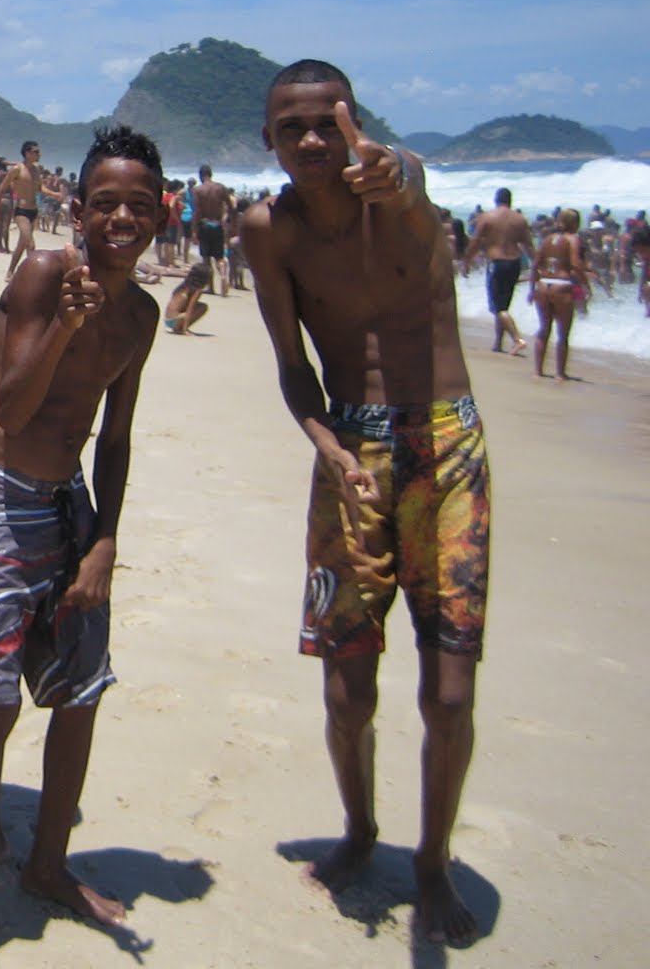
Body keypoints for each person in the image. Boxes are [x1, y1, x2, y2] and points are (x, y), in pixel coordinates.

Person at [241, 59, 487, 945]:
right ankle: (360, 830)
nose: (309, 140)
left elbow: (410, 183)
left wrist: (398, 172)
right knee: (348, 685)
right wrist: (325, 441)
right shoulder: (266, 231)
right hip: (349, 450)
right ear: (264, 141)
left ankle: (431, 861)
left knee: (450, 693)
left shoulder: (399, 183)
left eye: (324, 122)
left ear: (354, 122)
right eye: (289, 127)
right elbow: (292, 365)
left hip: (448, 449)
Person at [0, 124, 162, 969]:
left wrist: (106, 540)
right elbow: (14, 399)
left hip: (70, 503)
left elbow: (114, 437)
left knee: (79, 688)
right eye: (105, 202)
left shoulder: (142, 315)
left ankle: (47, 866)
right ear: (77, 207)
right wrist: (68, 329)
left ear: (158, 214)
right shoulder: (43, 273)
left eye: (138, 206)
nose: (120, 218)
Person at [461, 187, 534, 355]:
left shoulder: (487, 217)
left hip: (497, 263)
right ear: (510, 200)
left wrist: (467, 261)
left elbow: (475, 241)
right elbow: (528, 245)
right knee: (504, 306)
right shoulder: (520, 219)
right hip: (514, 263)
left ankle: (517, 339)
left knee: (498, 307)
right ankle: (498, 343)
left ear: (496, 200)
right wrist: (537, 266)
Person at [529, 208, 587, 381]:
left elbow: (535, 265)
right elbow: (576, 265)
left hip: (543, 285)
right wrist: (585, 284)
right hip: (562, 286)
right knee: (563, 333)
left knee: (544, 329)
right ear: (575, 223)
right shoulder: (573, 239)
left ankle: (538, 371)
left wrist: (532, 288)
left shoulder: (547, 239)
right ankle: (560, 373)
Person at [3, 141, 43, 280]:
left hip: (33, 211)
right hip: (21, 211)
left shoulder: (36, 170)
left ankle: (10, 271)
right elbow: (2, 188)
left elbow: (40, 189)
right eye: (36, 152)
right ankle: (32, 276)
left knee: (21, 245)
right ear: (27, 153)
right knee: (30, 244)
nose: (40, 154)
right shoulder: (17, 169)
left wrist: (54, 194)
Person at [192, 164, 231, 295]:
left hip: (205, 225)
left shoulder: (198, 190)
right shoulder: (221, 188)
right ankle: (224, 276)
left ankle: (211, 287)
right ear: (211, 174)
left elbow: (197, 211)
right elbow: (230, 206)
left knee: (206, 258)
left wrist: (194, 230)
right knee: (219, 257)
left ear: (200, 175)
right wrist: (224, 219)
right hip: (218, 225)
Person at [163, 263, 211, 335]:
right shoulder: (197, 290)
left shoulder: (184, 286)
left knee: (201, 305)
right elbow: (190, 309)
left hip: (168, 320)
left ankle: (179, 327)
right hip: (177, 319)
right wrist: (185, 330)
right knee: (203, 307)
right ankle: (180, 328)